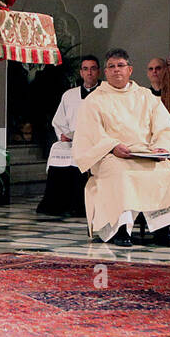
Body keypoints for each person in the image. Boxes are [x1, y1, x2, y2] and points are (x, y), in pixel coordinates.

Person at [72, 48, 170, 247]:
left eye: (121, 66)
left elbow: (165, 128)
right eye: (111, 67)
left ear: (130, 70)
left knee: (168, 172)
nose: (116, 70)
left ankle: (161, 230)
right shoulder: (95, 100)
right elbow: (91, 134)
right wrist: (112, 146)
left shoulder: (146, 96)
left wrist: (161, 147)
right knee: (122, 175)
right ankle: (121, 229)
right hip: (111, 155)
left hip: (145, 153)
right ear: (105, 73)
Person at [36, 55, 101, 217]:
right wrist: (63, 135)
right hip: (73, 140)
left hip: (96, 142)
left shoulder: (106, 93)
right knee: (58, 149)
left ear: (99, 72)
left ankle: (79, 205)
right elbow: (58, 121)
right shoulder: (69, 95)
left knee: (82, 156)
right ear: (81, 72)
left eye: (93, 69)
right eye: (85, 69)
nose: (89, 73)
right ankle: (56, 204)